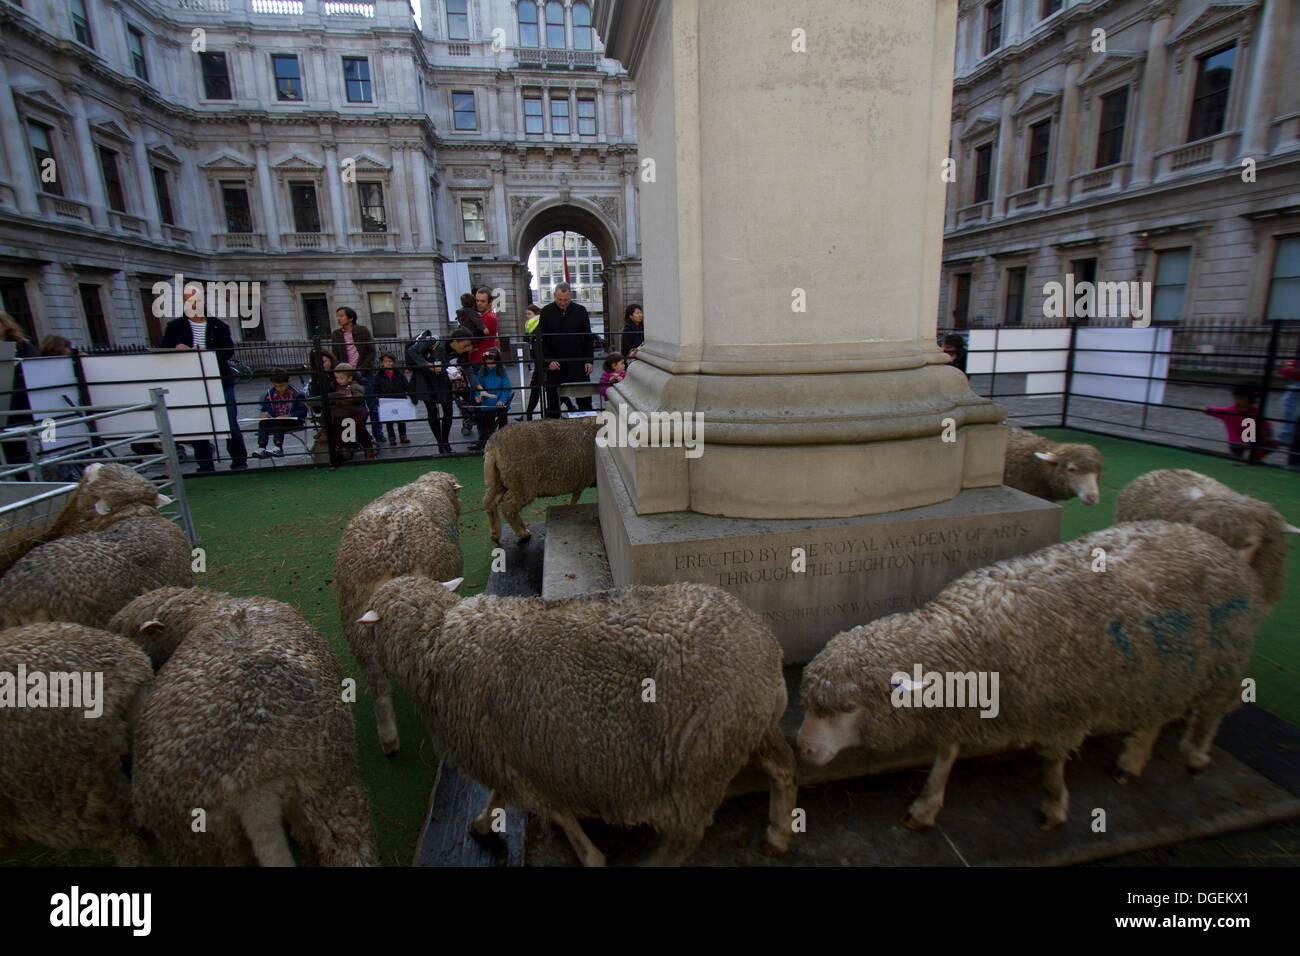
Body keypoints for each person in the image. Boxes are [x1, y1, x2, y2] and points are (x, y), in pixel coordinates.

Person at [160, 287, 248, 472]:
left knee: (230, 420)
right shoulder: (175, 326)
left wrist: (208, 353)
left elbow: (227, 351)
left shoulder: (219, 325)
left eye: (195, 299)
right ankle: (205, 464)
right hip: (190, 380)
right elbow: (164, 349)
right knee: (198, 422)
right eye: (187, 300)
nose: (192, 303)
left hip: (219, 378)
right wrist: (177, 347)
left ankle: (239, 460)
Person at [406, 326, 478, 455]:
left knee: (448, 410)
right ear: (455, 342)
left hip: (441, 377)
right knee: (432, 411)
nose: (467, 348)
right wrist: (427, 364)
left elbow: (468, 368)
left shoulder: (459, 352)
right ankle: (440, 443)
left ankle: (445, 442)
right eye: (465, 345)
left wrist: (478, 387)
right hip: (425, 377)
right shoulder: (435, 341)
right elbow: (412, 351)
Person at [536, 282, 595, 418]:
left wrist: (589, 360)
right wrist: (548, 361)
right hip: (556, 364)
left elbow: (588, 338)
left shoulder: (580, 310)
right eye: (560, 299)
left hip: (578, 362)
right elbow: (541, 340)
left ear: (571, 296)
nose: (563, 303)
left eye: (566, 300)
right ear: (555, 295)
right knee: (553, 402)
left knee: (584, 399)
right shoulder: (546, 311)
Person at [330, 306, 382, 443]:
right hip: (346, 375)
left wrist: (362, 369)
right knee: (350, 406)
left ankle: (378, 433)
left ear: (351, 318)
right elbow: (335, 354)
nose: (339, 318)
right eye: (338, 316)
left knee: (372, 404)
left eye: (342, 315)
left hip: (364, 373)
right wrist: (343, 370)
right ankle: (359, 436)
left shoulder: (362, 330)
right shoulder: (336, 334)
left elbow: (371, 351)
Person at [0, 311, 38, 473]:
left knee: (18, 450)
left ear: (5, 325)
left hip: (19, 407)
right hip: (3, 408)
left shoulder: (22, 346)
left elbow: (36, 372)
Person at [1202, 384, 1276, 462]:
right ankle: (1243, 458)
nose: (1238, 400)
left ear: (1251, 399)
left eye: (1242, 398)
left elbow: (1266, 425)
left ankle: (1256, 457)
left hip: (1251, 440)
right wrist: (1207, 410)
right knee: (1238, 452)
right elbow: (1216, 411)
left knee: (1271, 444)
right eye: (1236, 398)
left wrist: (1268, 435)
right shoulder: (1229, 411)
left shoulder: (1256, 412)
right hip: (1236, 443)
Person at [253, 369, 307, 458]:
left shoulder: (297, 394)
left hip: (292, 420)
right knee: (263, 423)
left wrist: (289, 415)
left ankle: (278, 446)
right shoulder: (270, 394)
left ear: (288, 382)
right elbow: (266, 406)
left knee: (279, 422)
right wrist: (266, 413)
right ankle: (261, 447)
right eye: (276, 386)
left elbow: (301, 410)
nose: (279, 389)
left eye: (281, 386)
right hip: (275, 419)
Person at [326, 363, 375, 462]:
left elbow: (360, 396)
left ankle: (368, 448)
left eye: (341, 378)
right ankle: (343, 448)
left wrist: (352, 397)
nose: (338, 380)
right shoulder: (337, 387)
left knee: (358, 425)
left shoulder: (354, 386)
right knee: (336, 424)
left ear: (349, 378)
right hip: (343, 410)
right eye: (337, 378)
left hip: (356, 409)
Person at [470, 347, 512, 451]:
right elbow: (478, 387)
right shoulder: (482, 373)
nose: (490, 366)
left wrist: (502, 399)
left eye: (492, 363)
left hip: (500, 402)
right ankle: (490, 442)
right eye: (488, 364)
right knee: (489, 423)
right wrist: (477, 397)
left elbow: (506, 388)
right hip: (488, 402)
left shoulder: (502, 372)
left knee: (503, 423)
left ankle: (504, 442)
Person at [372, 352, 411, 445]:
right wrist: (378, 398)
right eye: (386, 362)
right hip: (386, 400)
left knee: (401, 419)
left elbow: (405, 384)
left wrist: (407, 393)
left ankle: (403, 435)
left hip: (399, 398)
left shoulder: (399, 373)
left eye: (390, 361)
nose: (388, 363)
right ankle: (391, 437)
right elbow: (376, 388)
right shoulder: (379, 376)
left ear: (393, 362)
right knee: (389, 420)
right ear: (382, 363)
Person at [470, 287, 499, 364]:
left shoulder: (488, 317)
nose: (479, 303)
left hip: (480, 359)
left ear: (490, 302)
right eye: (477, 300)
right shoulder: (482, 316)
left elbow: (474, 337)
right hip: (480, 358)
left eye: (483, 301)